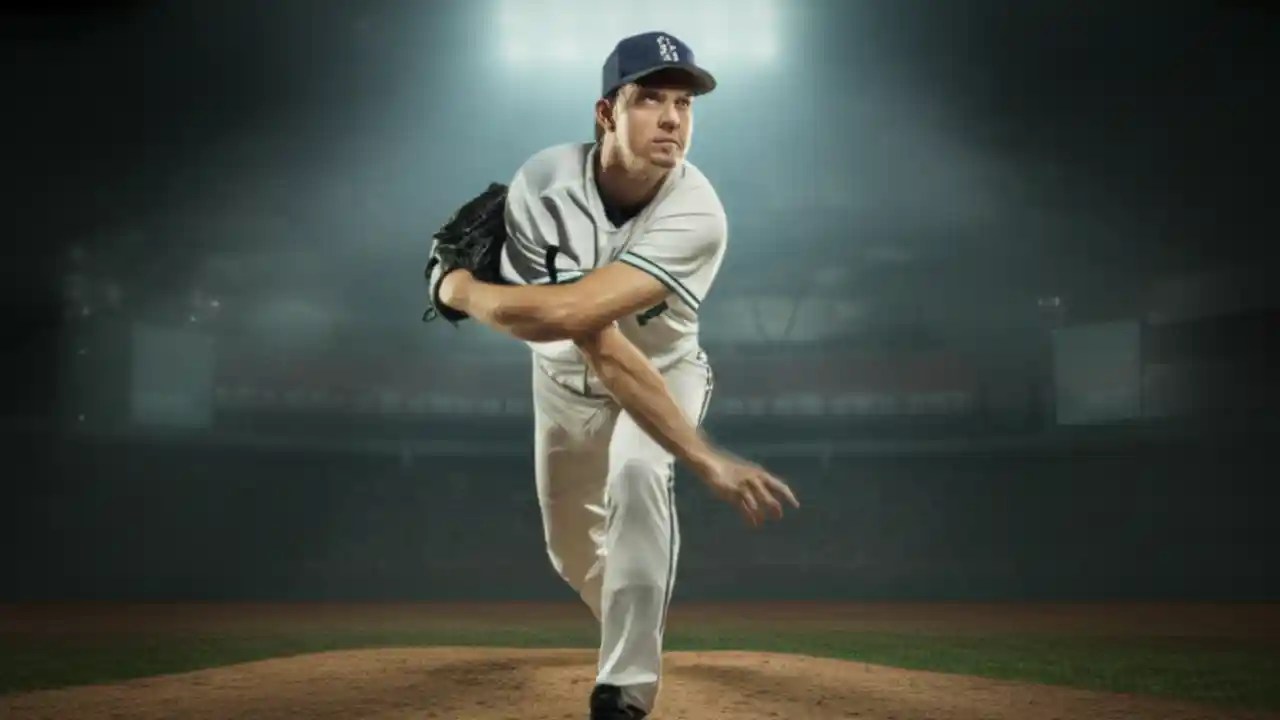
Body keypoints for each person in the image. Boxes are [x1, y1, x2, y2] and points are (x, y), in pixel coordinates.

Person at [435, 31, 799, 720]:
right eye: (650, 99)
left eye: (684, 104)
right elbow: (563, 333)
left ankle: (624, 687)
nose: (672, 118)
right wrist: (509, 306)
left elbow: (578, 319)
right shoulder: (543, 181)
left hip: (664, 372)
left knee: (637, 474)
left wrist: (458, 291)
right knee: (570, 550)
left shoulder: (698, 213)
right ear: (605, 113)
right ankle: (634, 614)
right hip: (560, 387)